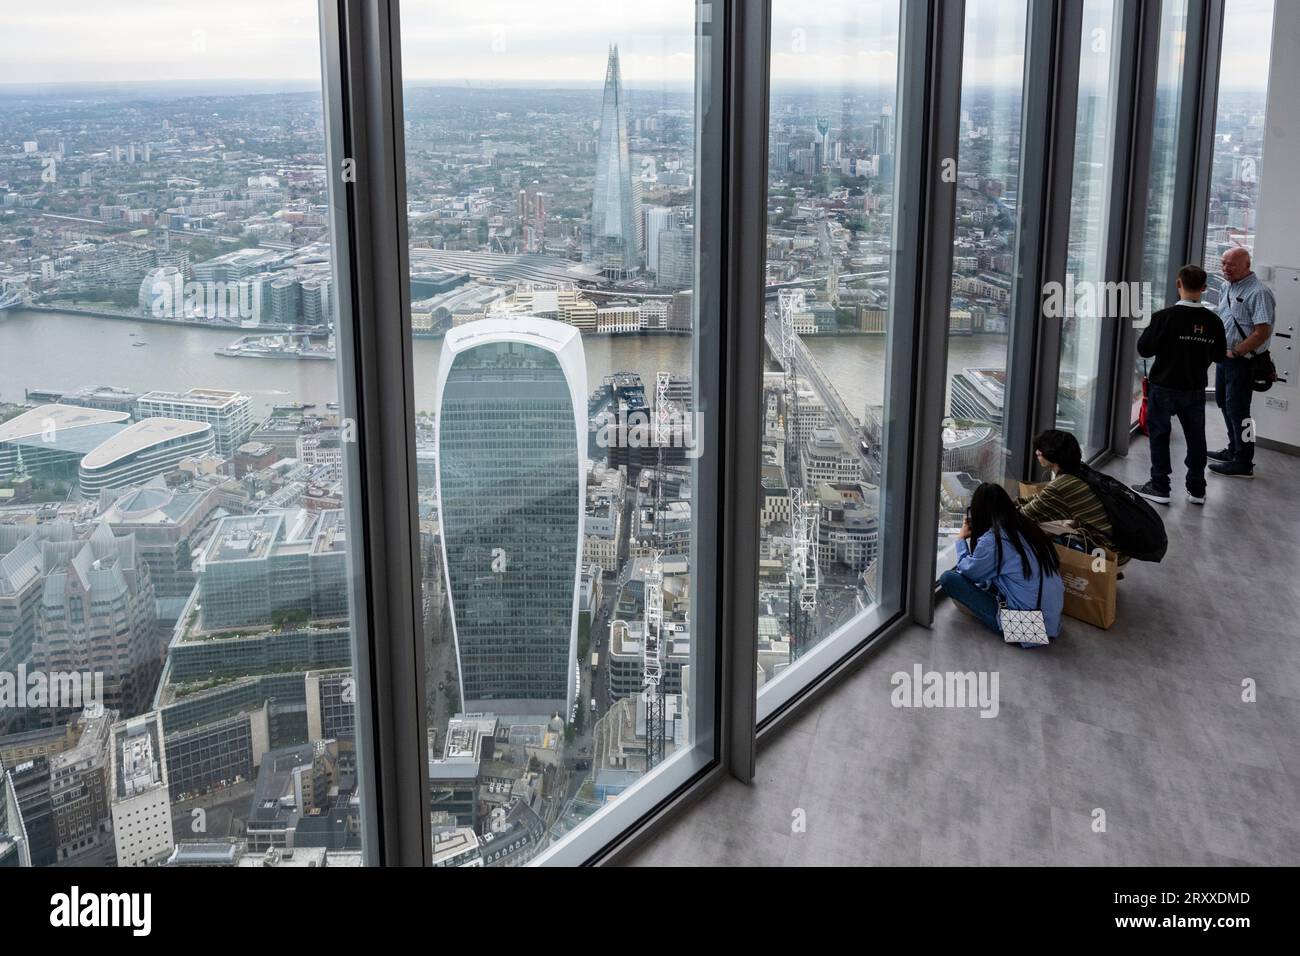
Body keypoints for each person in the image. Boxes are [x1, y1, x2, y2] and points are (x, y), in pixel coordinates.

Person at [1131, 263, 1225, 505]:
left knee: (1160, 435)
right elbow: (1218, 355)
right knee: (1196, 437)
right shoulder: (1214, 322)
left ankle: (1160, 486)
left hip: (1164, 386)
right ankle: (1196, 489)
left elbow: (1144, 349)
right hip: (1194, 387)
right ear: (1204, 287)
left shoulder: (1164, 317)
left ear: (1178, 284)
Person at [940, 482, 1065, 647]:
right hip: (1052, 621)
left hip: (1031, 630)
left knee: (949, 579)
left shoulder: (995, 540)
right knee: (993, 579)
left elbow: (969, 572)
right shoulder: (1026, 526)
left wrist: (961, 540)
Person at [1211, 247, 1274, 478]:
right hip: (1224, 358)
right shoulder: (1227, 286)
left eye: (1231, 265)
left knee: (1240, 412)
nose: (1225, 268)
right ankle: (1233, 449)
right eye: (1223, 263)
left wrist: (1237, 352)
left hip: (1242, 361)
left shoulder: (1259, 292)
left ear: (1247, 266)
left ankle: (1244, 461)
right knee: (1224, 404)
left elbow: (1262, 332)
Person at [1020, 429, 1123, 560]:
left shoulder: (1061, 486)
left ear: (1053, 455)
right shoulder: (1080, 470)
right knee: (1058, 525)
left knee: (1031, 533)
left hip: (1107, 553)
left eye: (1040, 450)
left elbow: (1024, 516)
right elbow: (1040, 500)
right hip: (1121, 543)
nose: (1036, 453)